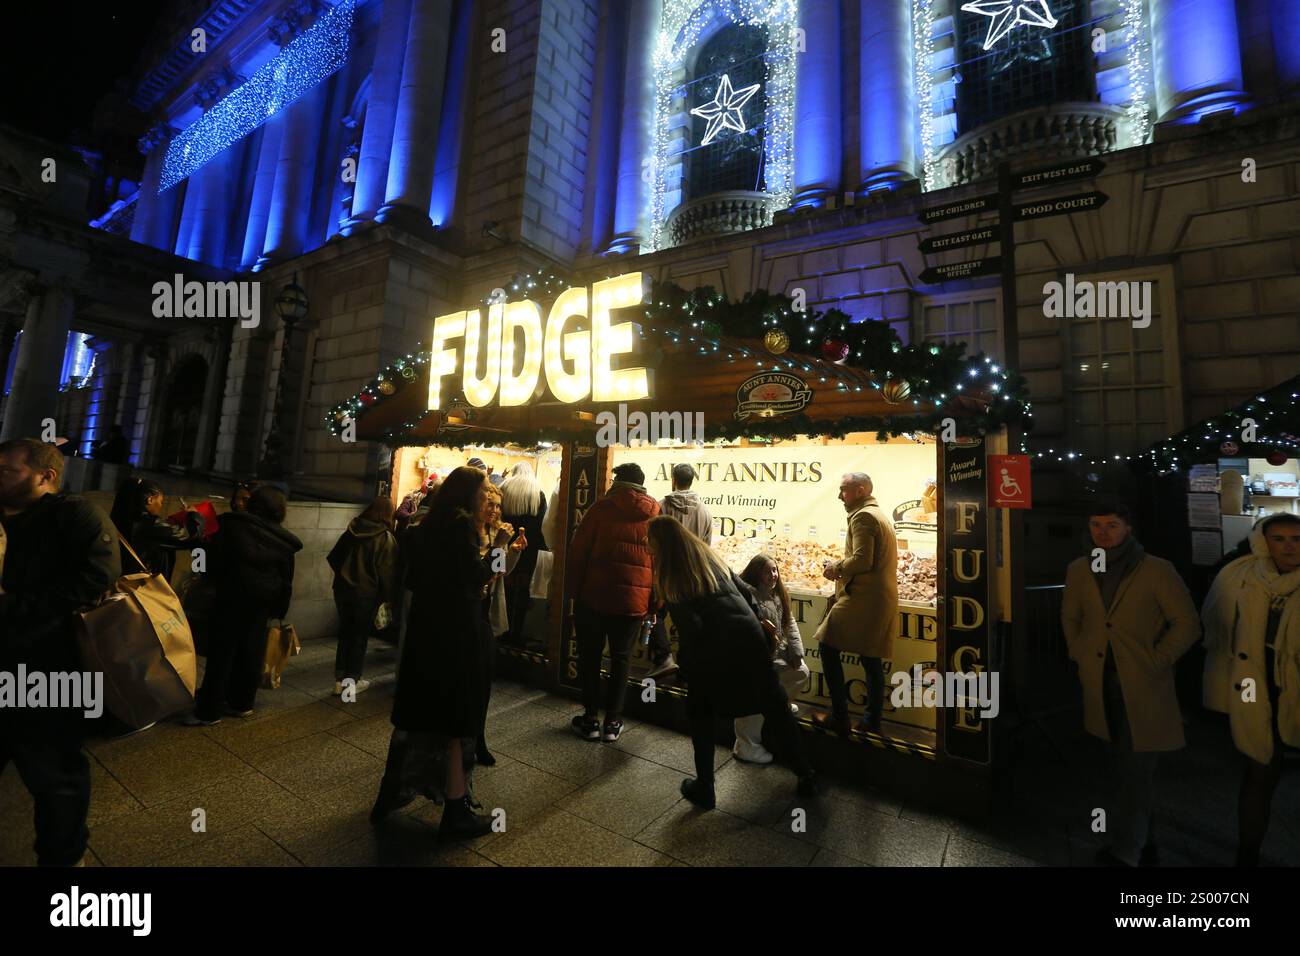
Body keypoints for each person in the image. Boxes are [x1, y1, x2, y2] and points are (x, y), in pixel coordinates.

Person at [371, 466, 514, 838]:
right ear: (467, 494)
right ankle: (456, 809)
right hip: (456, 637)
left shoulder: (424, 530)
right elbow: (476, 577)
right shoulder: (458, 531)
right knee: (454, 723)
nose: (488, 496)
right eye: (484, 490)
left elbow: (414, 580)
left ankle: (393, 793)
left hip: (425, 635)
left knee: (418, 719)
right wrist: (499, 550)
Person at [0, 438, 120, 866]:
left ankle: (63, 860)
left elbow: (98, 580)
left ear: (45, 477)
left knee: (57, 779)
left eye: (7, 470)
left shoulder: (76, 515)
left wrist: (13, 605)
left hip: (51, 672)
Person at [1061, 501, 1200, 867]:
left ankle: (1128, 851)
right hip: (1099, 679)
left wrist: (1156, 660)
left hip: (1140, 684)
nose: (1102, 532)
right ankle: (1143, 838)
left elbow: (1186, 622)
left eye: (1111, 525)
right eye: (1095, 524)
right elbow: (1071, 615)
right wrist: (1079, 651)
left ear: (1128, 528)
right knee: (1118, 765)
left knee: (1134, 769)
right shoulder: (1081, 569)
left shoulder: (1155, 570)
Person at [646, 517, 817, 807]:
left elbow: (693, 629)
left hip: (717, 652)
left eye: (649, 543)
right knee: (777, 710)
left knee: (701, 716)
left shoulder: (673, 574)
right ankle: (806, 775)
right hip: (751, 642)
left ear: (661, 545)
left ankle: (705, 788)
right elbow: (747, 594)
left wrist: (687, 665)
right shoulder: (711, 559)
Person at [1202, 512, 1300, 867]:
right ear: (1264, 542)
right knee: (1259, 771)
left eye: (1296, 538)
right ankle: (1247, 855)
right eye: (1280, 539)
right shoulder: (1242, 577)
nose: (1289, 546)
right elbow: (1217, 627)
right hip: (1256, 686)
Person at [186, 485, 302, 725]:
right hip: (262, 604)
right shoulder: (283, 541)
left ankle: (209, 711)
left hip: (230, 598)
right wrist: (279, 609)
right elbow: (286, 579)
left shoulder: (232, 526)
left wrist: (196, 531)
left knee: (222, 654)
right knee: (251, 652)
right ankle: (242, 704)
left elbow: (208, 562)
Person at [565, 462, 659, 743]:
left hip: (594, 597)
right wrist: (654, 604)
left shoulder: (601, 508)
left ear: (618, 481)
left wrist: (573, 591)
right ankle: (613, 722)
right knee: (621, 660)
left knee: (590, 658)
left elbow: (578, 550)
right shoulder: (655, 513)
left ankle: (591, 719)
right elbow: (660, 562)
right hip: (634, 601)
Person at [809, 472, 897, 737]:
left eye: (843, 490)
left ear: (860, 490)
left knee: (827, 644)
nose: (839, 496)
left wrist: (836, 567)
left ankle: (840, 717)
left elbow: (862, 560)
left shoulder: (864, 516)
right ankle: (871, 721)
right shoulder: (878, 513)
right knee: (871, 659)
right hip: (878, 598)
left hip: (864, 597)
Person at [732, 554, 810, 763]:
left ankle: (779, 705)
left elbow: (789, 623)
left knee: (801, 672)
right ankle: (746, 744)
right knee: (754, 699)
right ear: (756, 573)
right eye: (767, 571)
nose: (773, 575)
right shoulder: (747, 597)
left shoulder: (777, 595)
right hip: (754, 662)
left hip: (773, 659)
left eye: (775, 570)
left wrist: (796, 653)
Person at [327, 496, 401, 698]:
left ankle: (338, 680)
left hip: (342, 592)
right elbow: (388, 575)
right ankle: (351, 683)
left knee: (345, 636)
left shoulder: (351, 531)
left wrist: (345, 577)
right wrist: (389, 598)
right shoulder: (385, 539)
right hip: (366, 595)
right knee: (359, 639)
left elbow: (333, 557)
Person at [646, 463, 713, 679]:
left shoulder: (662, 506)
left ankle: (664, 656)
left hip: (665, 574)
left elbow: (652, 543)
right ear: (692, 480)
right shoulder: (705, 511)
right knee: (688, 625)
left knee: (654, 614)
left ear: (673, 479)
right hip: (692, 576)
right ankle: (687, 670)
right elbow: (706, 548)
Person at [476, 483, 527, 765]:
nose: (494, 509)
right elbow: (478, 574)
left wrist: (514, 551)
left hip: (486, 611)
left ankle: (478, 738)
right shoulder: (468, 534)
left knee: (484, 682)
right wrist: (497, 548)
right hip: (467, 613)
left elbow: (500, 570)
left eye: (497, 505)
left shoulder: (497, 533)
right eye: (489, 503)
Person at [109, 476, 206, 578]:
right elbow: (191, 537)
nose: (160, 506)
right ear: (150, 500)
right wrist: (193, 515)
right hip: (143, 587)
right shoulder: (151, 524)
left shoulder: (119, 518)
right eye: (161, 502)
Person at [500, 462, 547, 646]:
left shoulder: (504, 487)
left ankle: (500, 629)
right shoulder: (537, 492)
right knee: (523, 588)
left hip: (503, 543)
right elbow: (541, 524)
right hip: (529, 547)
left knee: (502, 584)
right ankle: (516, 632)